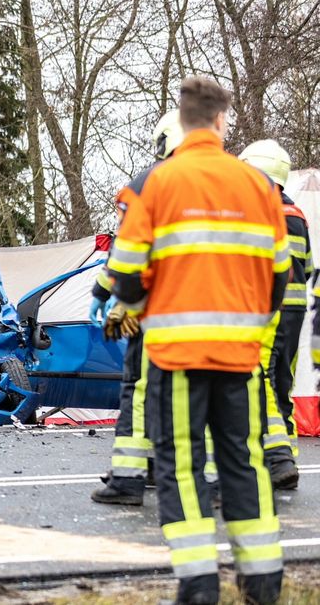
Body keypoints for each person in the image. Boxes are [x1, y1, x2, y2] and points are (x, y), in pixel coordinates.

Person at [108, 76, 286, 605]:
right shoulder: (256, 185)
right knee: (243, 461)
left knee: (181, 468)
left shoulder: (158, 184)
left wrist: (136, 310)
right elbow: (279, 279)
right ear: (221, 121)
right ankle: (263, 584)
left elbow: (126, 274)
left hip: (176, 357)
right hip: (238, 357)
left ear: (182, 123)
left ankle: (199, 586)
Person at [89, 109, 183, 506]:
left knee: (138, 387)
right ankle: (201, 481)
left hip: (152, 310)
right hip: (210, 315)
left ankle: (129, 479)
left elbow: (126, 256)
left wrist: (103, 293)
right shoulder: (226, 183)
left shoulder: (151, 184)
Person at [239, 140, 310, 490]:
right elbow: (307, 267)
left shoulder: (258, 214)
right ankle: (286, 457)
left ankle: (276, 457)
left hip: (266, 312)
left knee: (260, 381)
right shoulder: (298, 216)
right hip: (296, 314)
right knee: (283, 382)